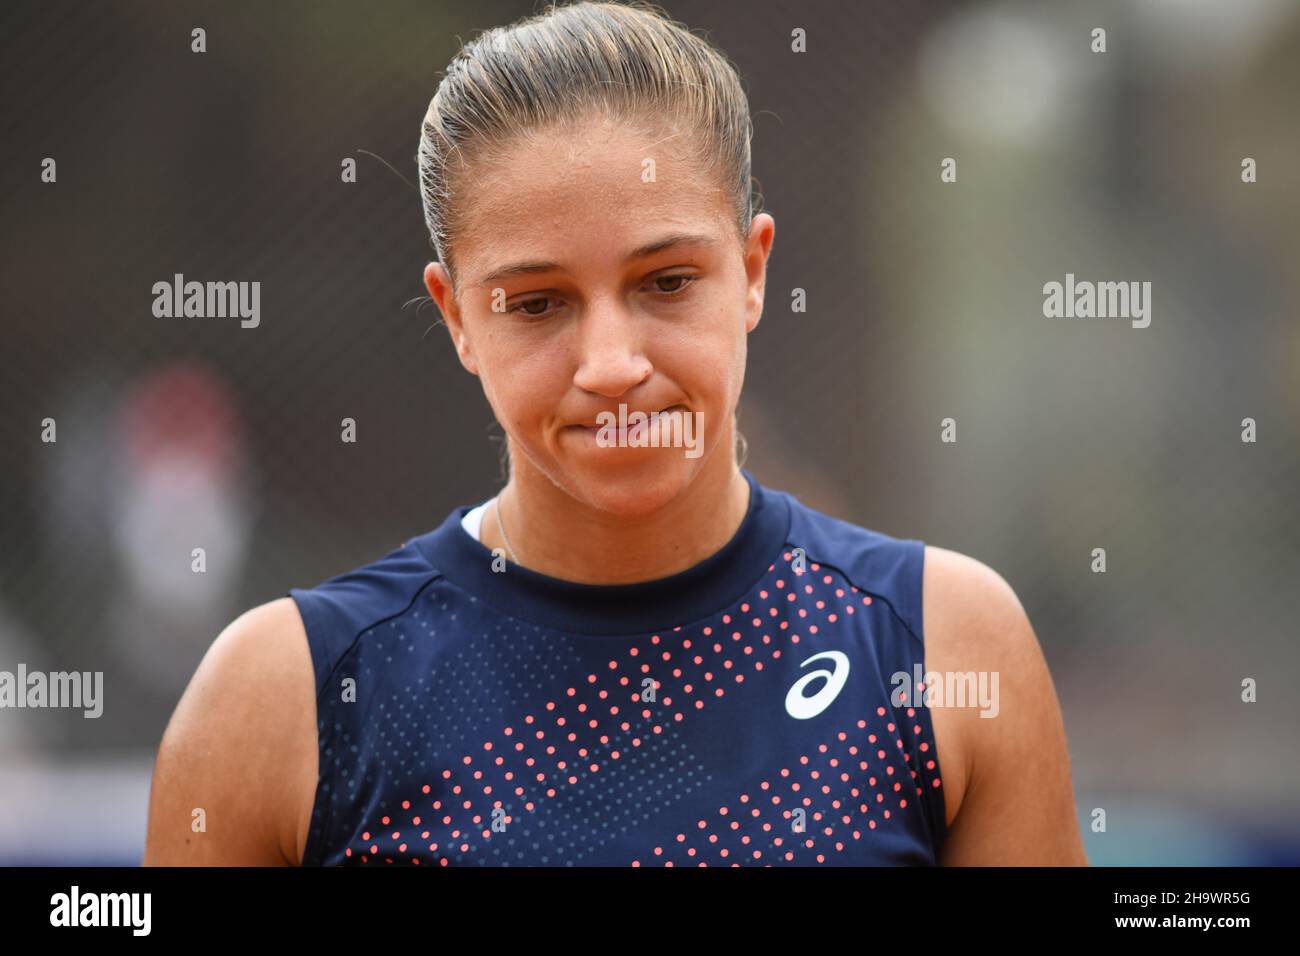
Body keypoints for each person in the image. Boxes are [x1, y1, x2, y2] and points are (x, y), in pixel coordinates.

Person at [144, 0, 1087, 866]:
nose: (610, 362)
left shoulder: (945, 646)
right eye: (539, 303)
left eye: (667, 282)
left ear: (753, 272)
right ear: (459, 319)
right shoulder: (281, 699)